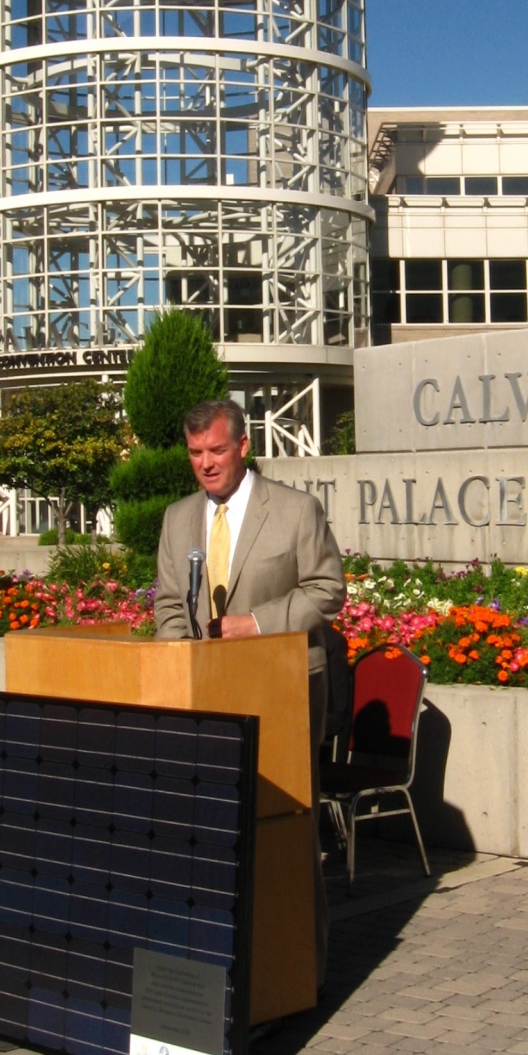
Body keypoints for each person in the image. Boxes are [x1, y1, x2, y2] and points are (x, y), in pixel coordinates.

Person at [154, 397, 347, 988]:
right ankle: (217, 971)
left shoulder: (294, 511)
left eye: (215, 450)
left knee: (283, 832)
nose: (206, 464)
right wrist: (177, 659)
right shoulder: (177, 518)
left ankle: (296, 972)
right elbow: (168, 602)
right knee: (209, 833)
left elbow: (328, 590)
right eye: (194, 454)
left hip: (282, 689)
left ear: (242, 446)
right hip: (203, 695)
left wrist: (256, 623)